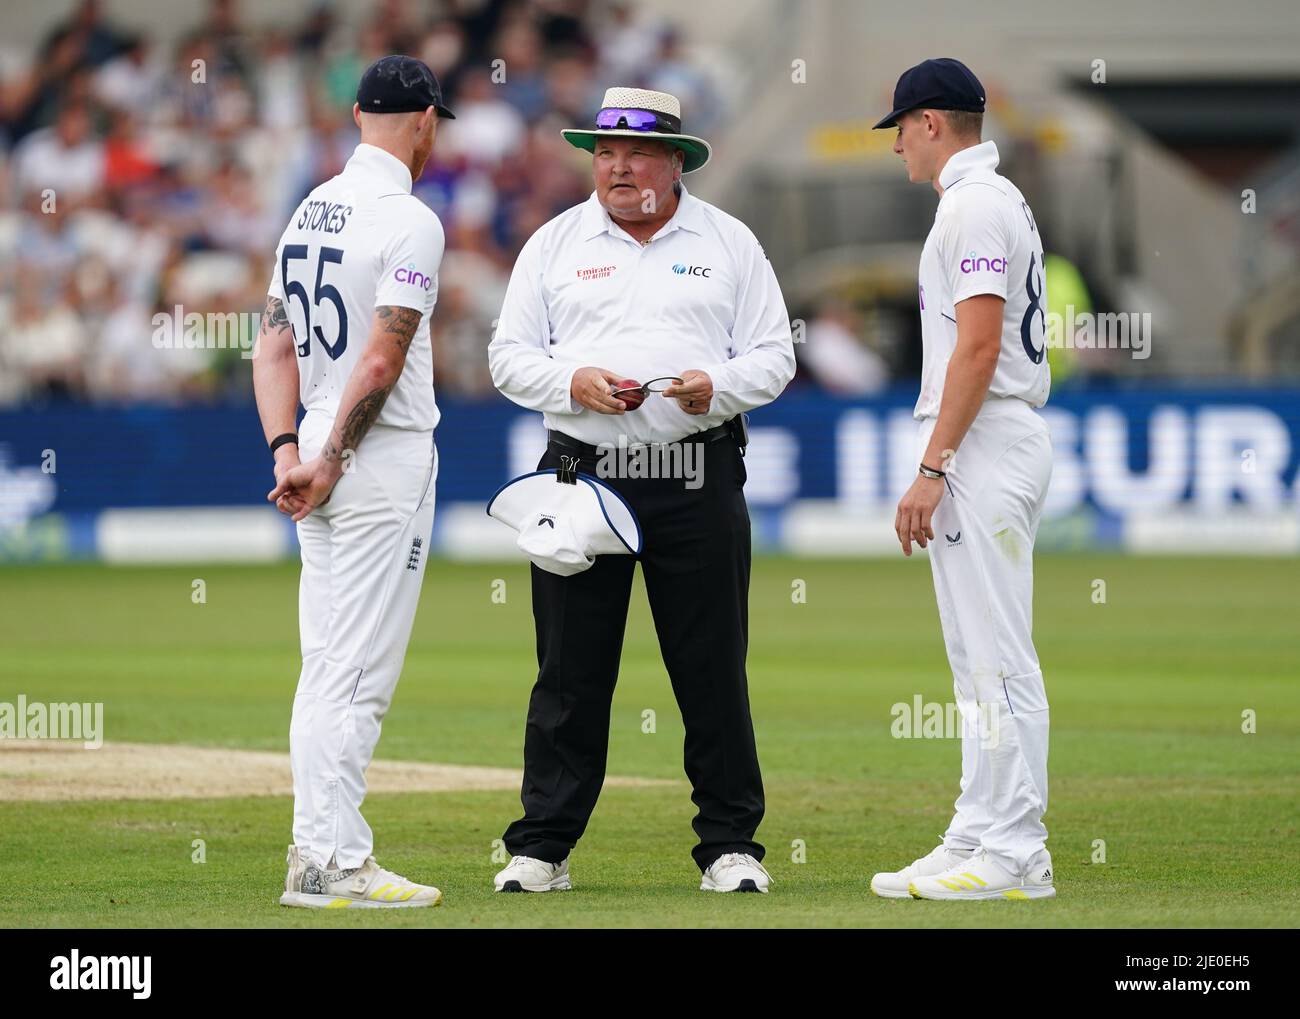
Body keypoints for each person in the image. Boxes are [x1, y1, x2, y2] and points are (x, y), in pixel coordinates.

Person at [487, 87, 795, 894]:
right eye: (605, 153)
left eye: (635, 154)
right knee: (569, 672)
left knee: (712, 669)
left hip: (696, 474)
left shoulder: (728, 241)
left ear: (675, 161)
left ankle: (731, 846)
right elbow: (509, 358)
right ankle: (542, 845)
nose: (617, 167)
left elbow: (774, 356)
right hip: (583, 478)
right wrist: (573, 380)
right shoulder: (555, 243)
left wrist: (714, 387)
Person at [253, 55, 454, 909]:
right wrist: (331, 461)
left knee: (325, 662)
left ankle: (313, 851)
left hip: (314, 462)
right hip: (373, 462)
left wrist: (286, 453)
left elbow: (271, 343)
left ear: (357, 117)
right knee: (357, 671)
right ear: (425, 123)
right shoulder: (409, 219)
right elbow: (384, 352)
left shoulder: (309, 208)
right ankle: (337, 861)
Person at [869, 59, 1056, 900]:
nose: (899, 145)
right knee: (972, 656)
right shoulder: (986, 199)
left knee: (998, 657)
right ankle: (979, 829)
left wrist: (933, 464)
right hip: (985, 439)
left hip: (983, 442)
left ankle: (1017, 851)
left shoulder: (974, 206)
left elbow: (979, 348)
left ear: (932, 123)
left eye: (902, 128)